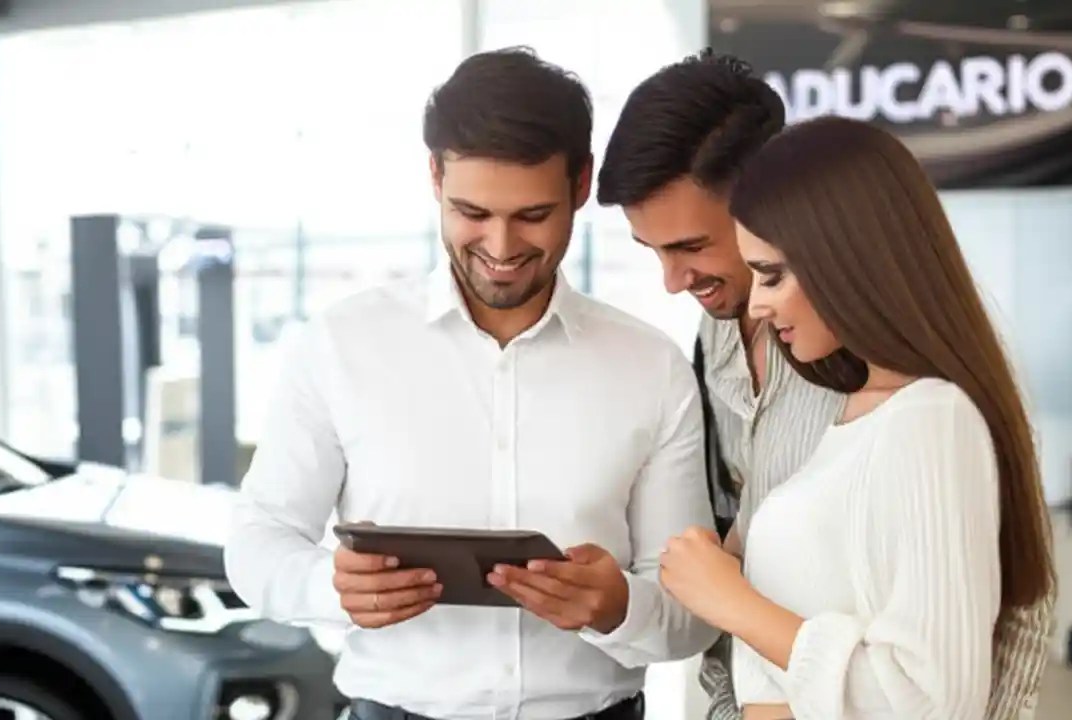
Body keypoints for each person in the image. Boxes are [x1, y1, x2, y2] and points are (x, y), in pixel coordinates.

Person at [224, 47, 720, 720]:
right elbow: (257, 542)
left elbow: (694, 609)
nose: (501, 243)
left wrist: (619, 607)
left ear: (581, 185)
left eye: (533, 216)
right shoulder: (341, 344)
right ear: (434, 176)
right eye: (472, 212)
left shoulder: (651, 366)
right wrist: (330, 587)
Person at [595, 50, 1054, 719]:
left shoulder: (913, 392)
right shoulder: (716, 341)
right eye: (653, 252)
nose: (673, 281)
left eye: (691, 247)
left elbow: (1012, 625)